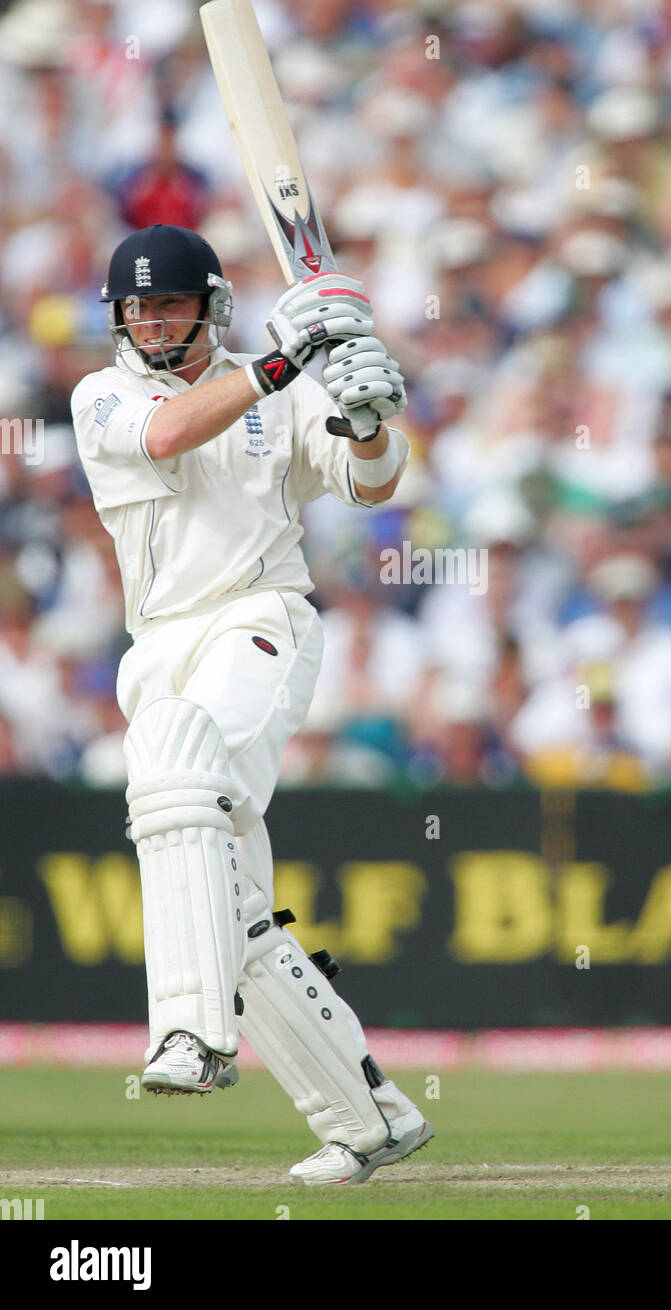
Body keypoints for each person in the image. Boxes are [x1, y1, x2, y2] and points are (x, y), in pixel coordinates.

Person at [70, 223, 433, 1187]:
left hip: (259, 616)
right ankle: (369, 1121)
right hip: (156, 647)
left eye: (170, 304)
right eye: (136, 308)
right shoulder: (102, 395)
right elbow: (170, 433)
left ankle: (191, 1034)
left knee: (186, 769)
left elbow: (370, 484)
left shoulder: (282, 393)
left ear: (209, 306)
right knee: (228, 900)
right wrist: (287, 359)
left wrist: (363, 418)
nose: (152, 322)